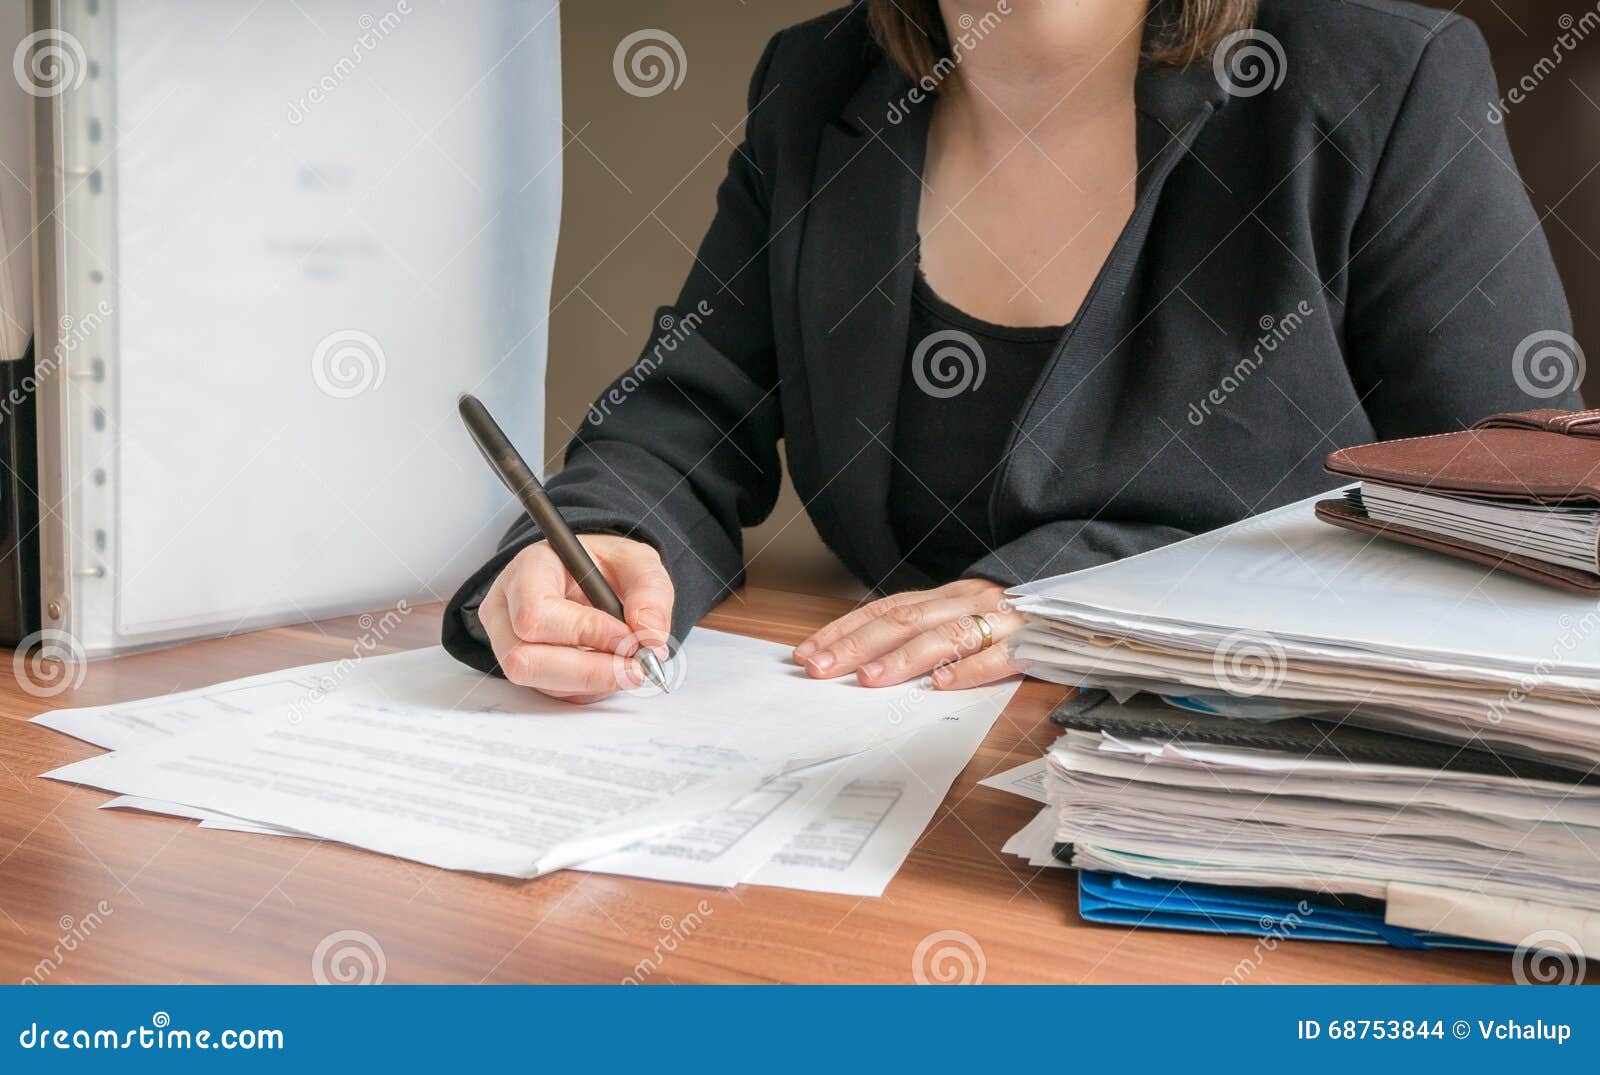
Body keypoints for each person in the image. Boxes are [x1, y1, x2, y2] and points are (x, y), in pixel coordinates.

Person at [443, 0, 1576, 703]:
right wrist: (606, 537)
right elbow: (689, 413)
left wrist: (1074, 604)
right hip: (878, 772)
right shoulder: (815, 85)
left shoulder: (1381, 82)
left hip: (1235, 802)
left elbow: (1518, 532)